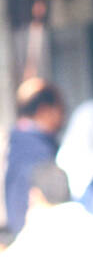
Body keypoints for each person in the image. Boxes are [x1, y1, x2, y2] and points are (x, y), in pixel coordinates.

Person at [3, 78, 66, 237]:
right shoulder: (38, 149)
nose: (62, 117)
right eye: (60, 110)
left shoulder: (16, 143)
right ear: (43, 110)